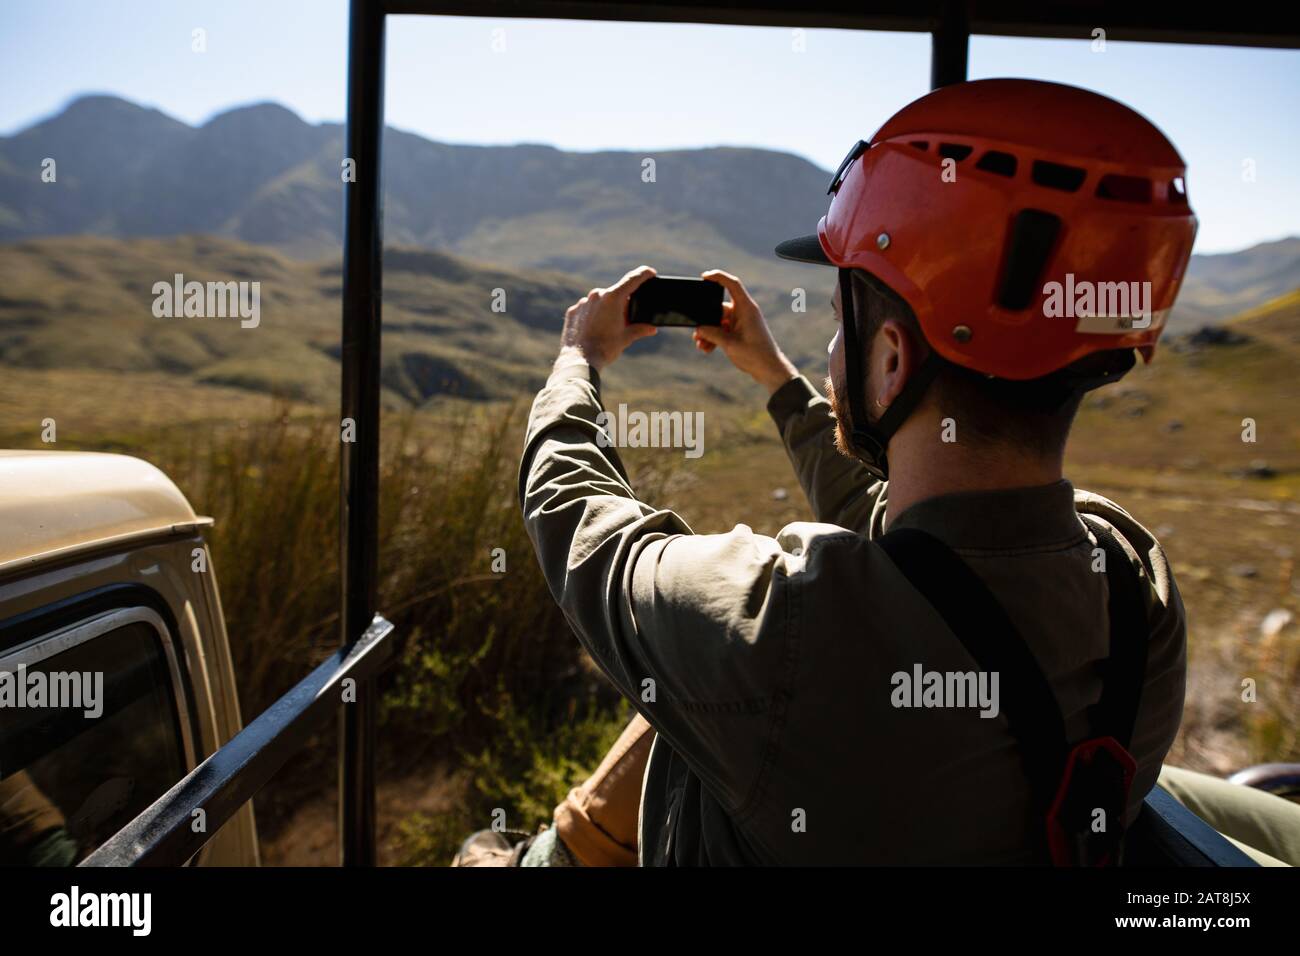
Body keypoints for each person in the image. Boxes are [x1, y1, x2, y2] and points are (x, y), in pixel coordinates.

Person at [456, 79, 1300, 866]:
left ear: (892, 361)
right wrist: (780, 380)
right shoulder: (1128, 578)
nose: (832, 352)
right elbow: (928, 553)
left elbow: (579, 522)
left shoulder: (779, 628)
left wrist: (579, 360)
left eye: (839, 325)